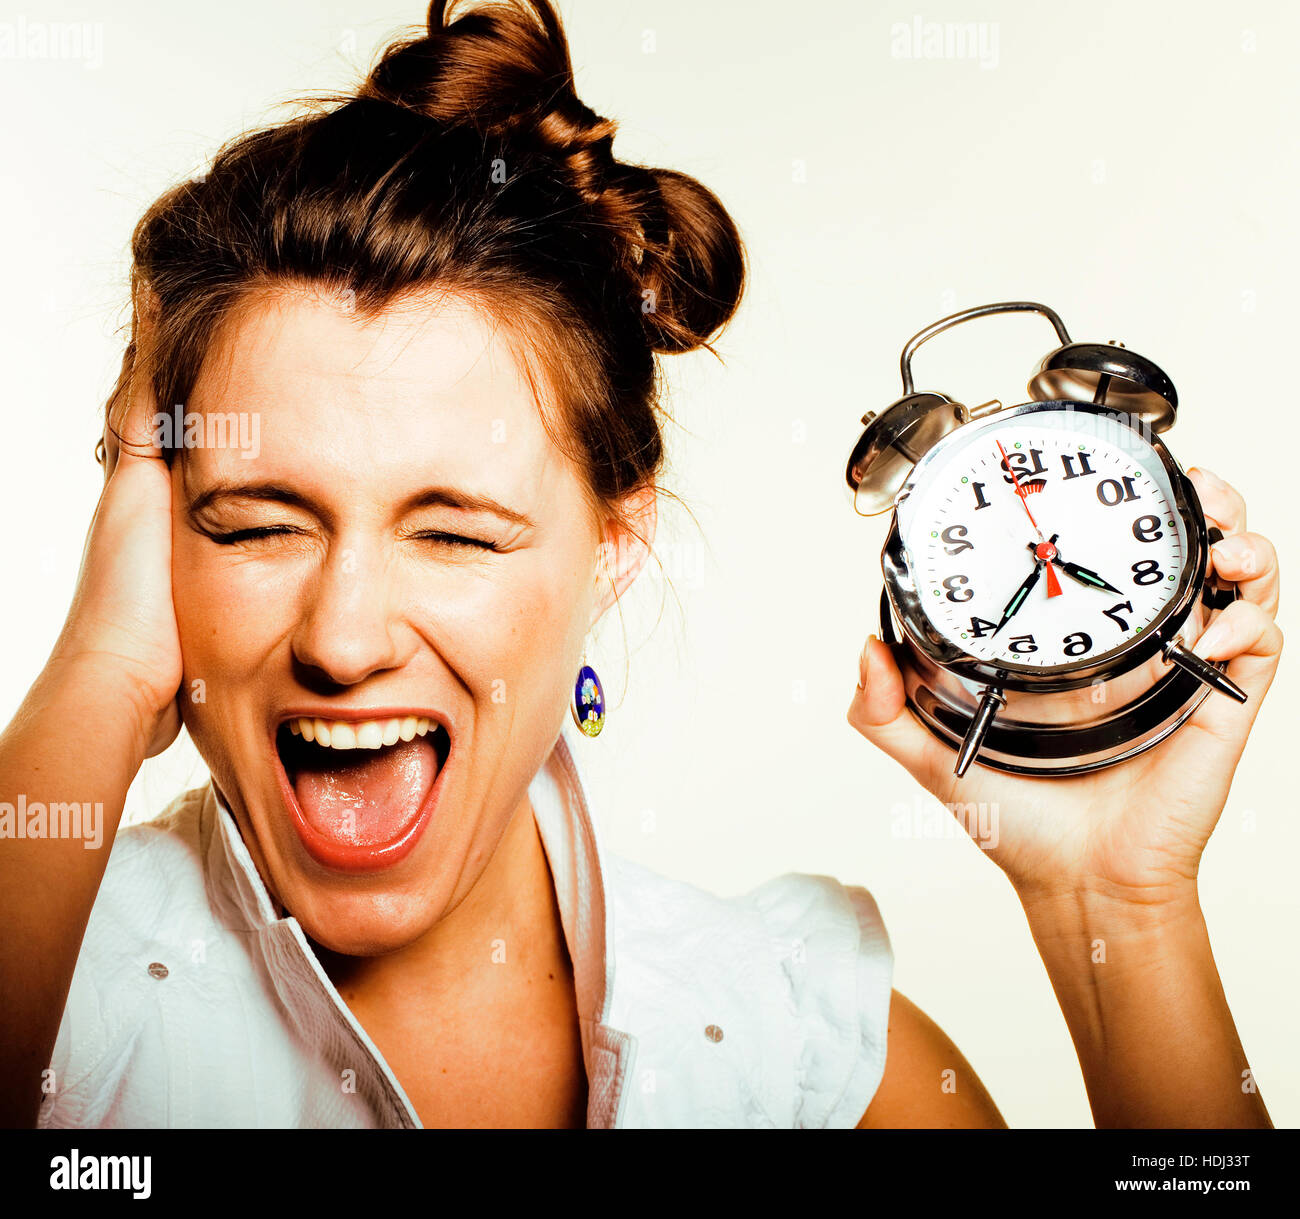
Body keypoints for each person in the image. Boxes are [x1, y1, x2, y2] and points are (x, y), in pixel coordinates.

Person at [0, 0, 1281, 1129]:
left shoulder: (795, 1055)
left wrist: (1117, 905)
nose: (343, 637)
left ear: (613, 548)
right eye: (257, 523)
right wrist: (101, 677)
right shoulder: (61, 999)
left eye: (452, 531)